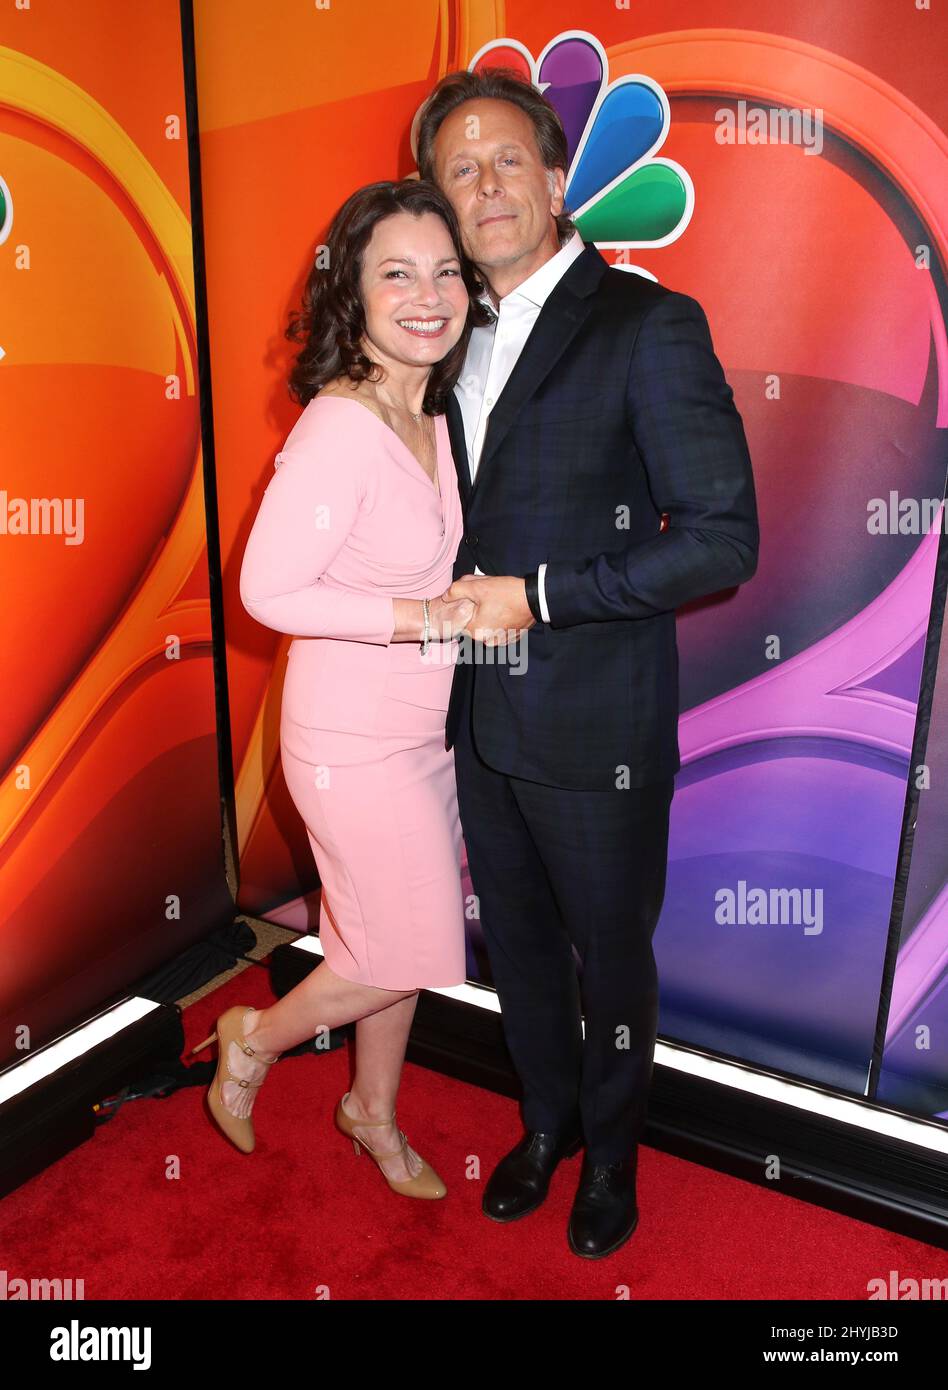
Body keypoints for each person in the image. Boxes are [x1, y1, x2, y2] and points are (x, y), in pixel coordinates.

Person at [413, 68, 760, 1255]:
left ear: (559, 180)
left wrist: (544, 596)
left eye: (507, 158)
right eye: (458, 169)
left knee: (610, 966)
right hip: (479, 721)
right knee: (513, 945)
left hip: (598, 727)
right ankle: (546, 1124)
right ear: (438, 203)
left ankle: (612, 1160)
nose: (486, 183)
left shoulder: (647, 324)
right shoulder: (438, 335)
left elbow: (721, 538)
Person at [192, 179, 491, 1198]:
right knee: (407, 944)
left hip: (421, 732)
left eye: (445, 270)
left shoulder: (433, 414)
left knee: (383, 938)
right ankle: (254, 1035)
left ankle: (371, 1107)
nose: (428, 294)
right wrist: (421, 617)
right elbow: (266, 588)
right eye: (395, 272)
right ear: (351, 297)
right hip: (348, 742)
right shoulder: (339, 424)